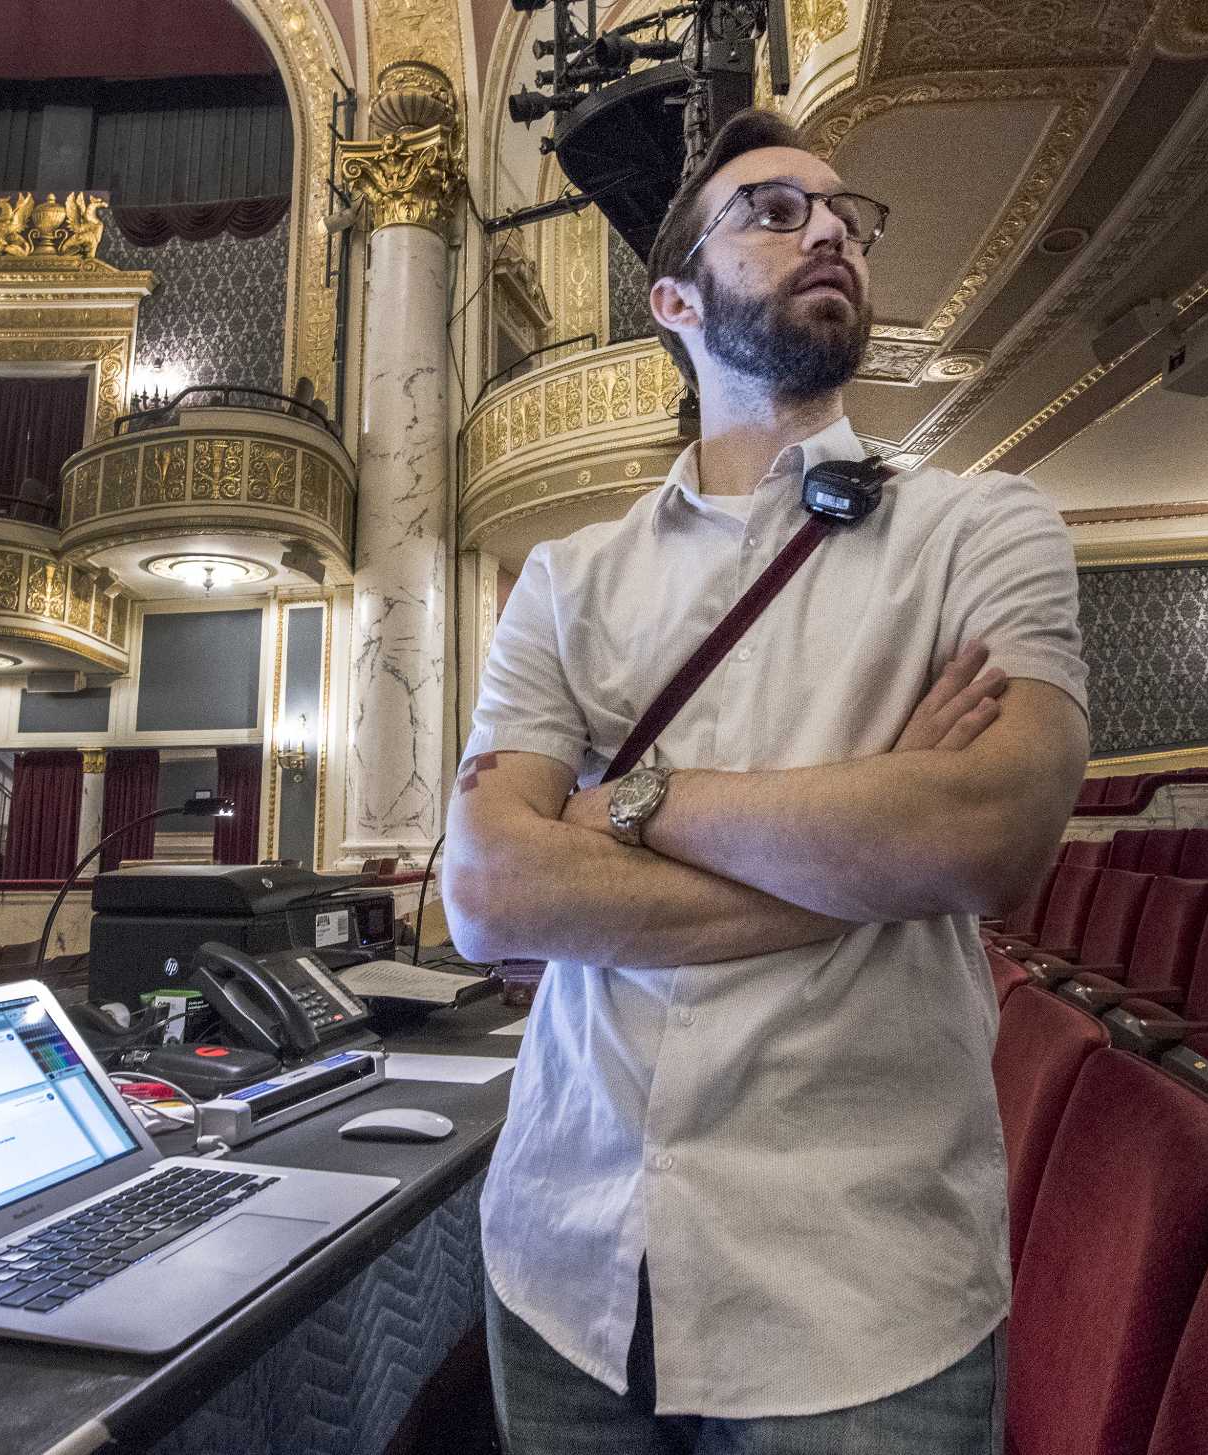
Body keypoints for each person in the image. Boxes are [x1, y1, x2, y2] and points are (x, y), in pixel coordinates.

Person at [442, 108, 1089, 1453]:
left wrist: (631, 807)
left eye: (844, 212)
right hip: (565, 1266)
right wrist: (866, 847)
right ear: (675, 300)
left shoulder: (985, 527)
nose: (832, 228)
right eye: (776, 210)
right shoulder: (569, 580)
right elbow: (492, 891)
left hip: (859, 1306)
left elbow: (990, 834)